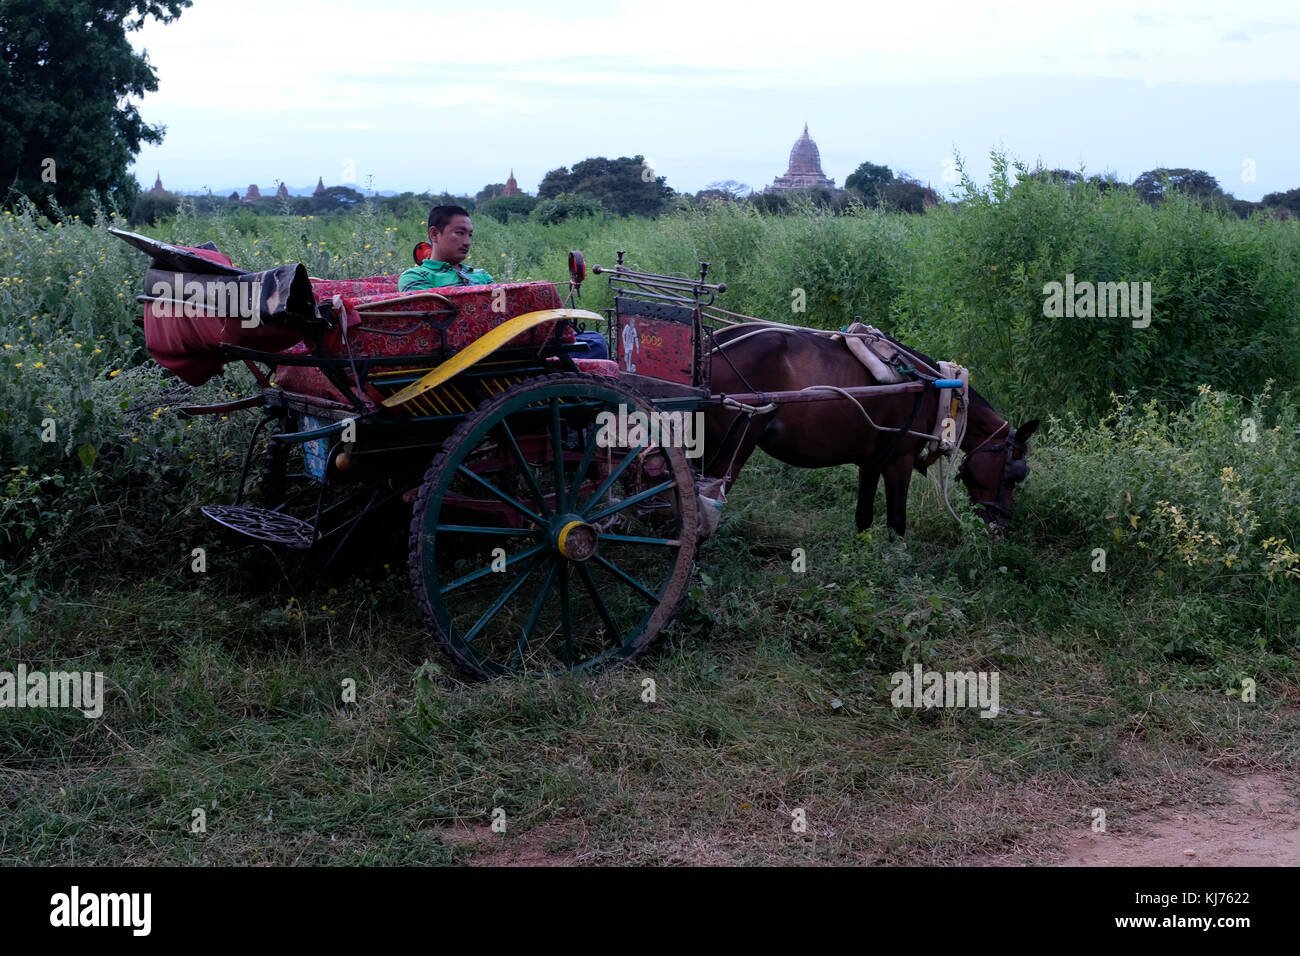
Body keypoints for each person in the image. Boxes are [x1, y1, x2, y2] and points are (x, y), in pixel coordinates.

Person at [397, 205, 494, 291]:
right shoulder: (416, 277)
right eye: (459, 233)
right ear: (434, 234)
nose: (467, 242)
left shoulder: (483, 275)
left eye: (470, 235)